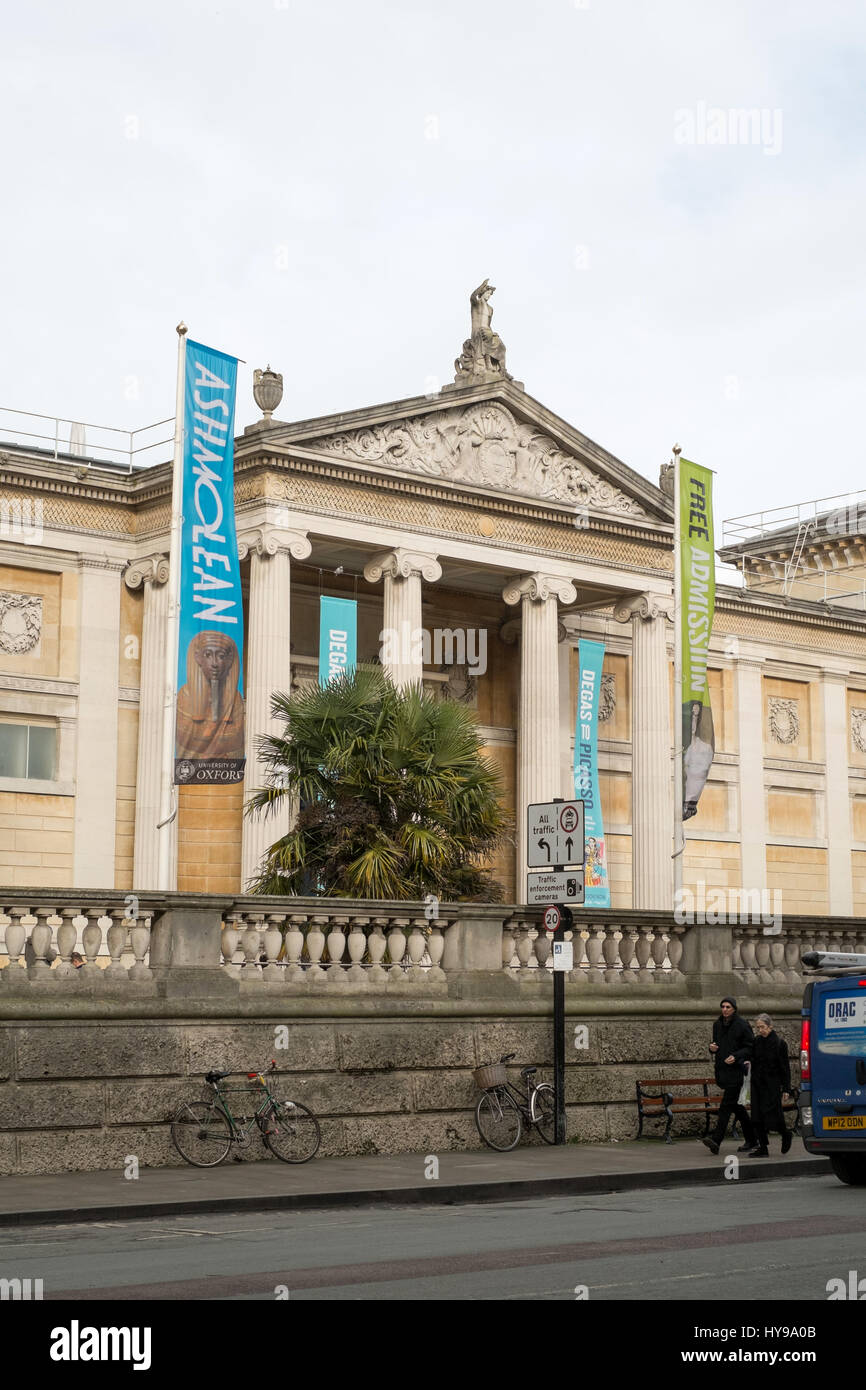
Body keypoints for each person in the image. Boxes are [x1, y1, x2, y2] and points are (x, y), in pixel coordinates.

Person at [175, 630, 245, 762]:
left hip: (225, 769)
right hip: (191, 768)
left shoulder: (235, 698)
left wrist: (205, 734)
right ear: (198, 658)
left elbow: (236, 740)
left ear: (229, 661)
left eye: (221, 656)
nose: (214, 663)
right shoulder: (185, 695)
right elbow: (183, 738)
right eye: (208, 655)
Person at [702, 996, 756, 1154]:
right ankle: (752, 1139)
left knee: (726, 1106)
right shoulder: (717, 1024)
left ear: (734, 1009)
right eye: (723, 1007)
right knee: (738, 1107)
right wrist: (711, 1048)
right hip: (723, 1071)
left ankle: (716, 1140)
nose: (724, 1010)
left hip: (737, 1072)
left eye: (728, 1007)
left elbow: (751, 1047)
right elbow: (716, 1044)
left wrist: (737, 1055)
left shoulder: (742, 1025)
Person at [747, 1013, 793, 1157]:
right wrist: (748, 1062)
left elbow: (785, 1068)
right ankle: (763, 1147)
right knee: (756, 1117)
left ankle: (786, 1134)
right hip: (757, 1084)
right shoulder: (756, 1042)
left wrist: (786, 1088)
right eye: (758, 1027)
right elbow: (753, 1059)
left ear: (770, 1026)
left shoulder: (780, 1044)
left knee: (773, 1116)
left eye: (763, 1027)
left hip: (772, 1085)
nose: (760, 1030)